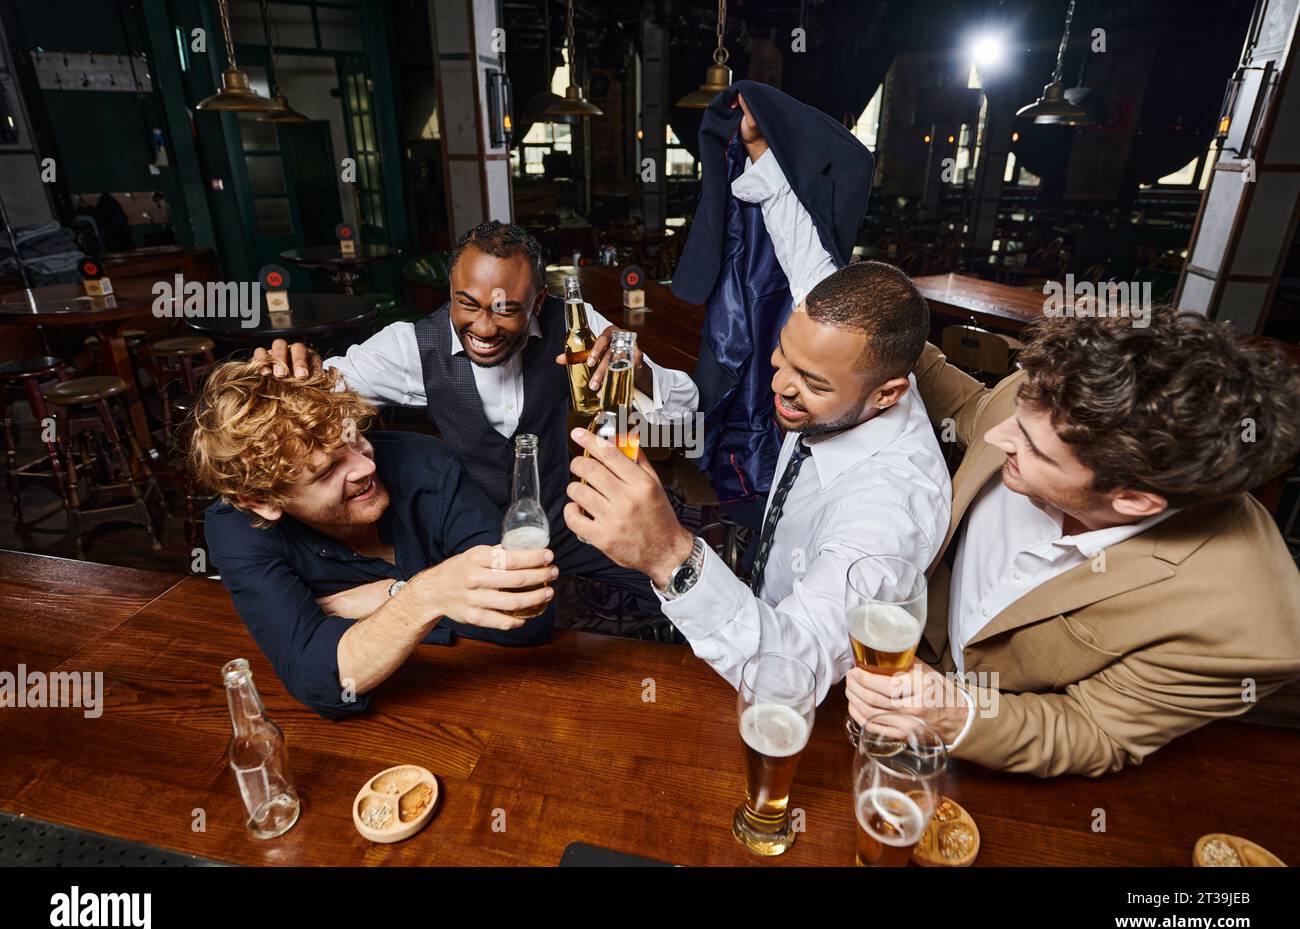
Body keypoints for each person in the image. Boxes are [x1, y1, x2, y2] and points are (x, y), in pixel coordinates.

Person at [845, 308, 1300, 776]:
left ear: (1133, 499)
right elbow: (972, 409)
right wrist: (869, 317)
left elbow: (1093, 730)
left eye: (1032, 449)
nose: (1000, 436)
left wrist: (953, 715)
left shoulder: (1249, 631)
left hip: (988, 763)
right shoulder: (1039, 406)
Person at [253, 221, 698, 611]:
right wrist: (287, 369)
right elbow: (313, 390)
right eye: (467, 305)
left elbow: (685, 413)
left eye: (506, 309)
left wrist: (639, 372)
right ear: (450, 293)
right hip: (469, 538)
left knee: (678, 592)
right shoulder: (411, 346)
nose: (483, 328)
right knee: (496, 647)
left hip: (569, 521)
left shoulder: (577, 326)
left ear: (538, 301)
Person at [566, 255, 951, 700]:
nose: (780, 385)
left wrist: (670, 555)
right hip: (759, 599)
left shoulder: (887, 514)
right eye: (783, 354)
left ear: (888, 394)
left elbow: (792, 675)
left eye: (813, 382)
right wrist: (644, 377)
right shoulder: (849, 370)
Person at [191, 360, 557, 719]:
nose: (366, 467)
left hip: (505, 700)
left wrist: (395, 595)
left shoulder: (424, 465)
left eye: (356, 438)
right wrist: (425, 596)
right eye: (329, 469)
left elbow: (528, 616)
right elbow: (319, 681)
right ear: (264, 502)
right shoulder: (238, 527)